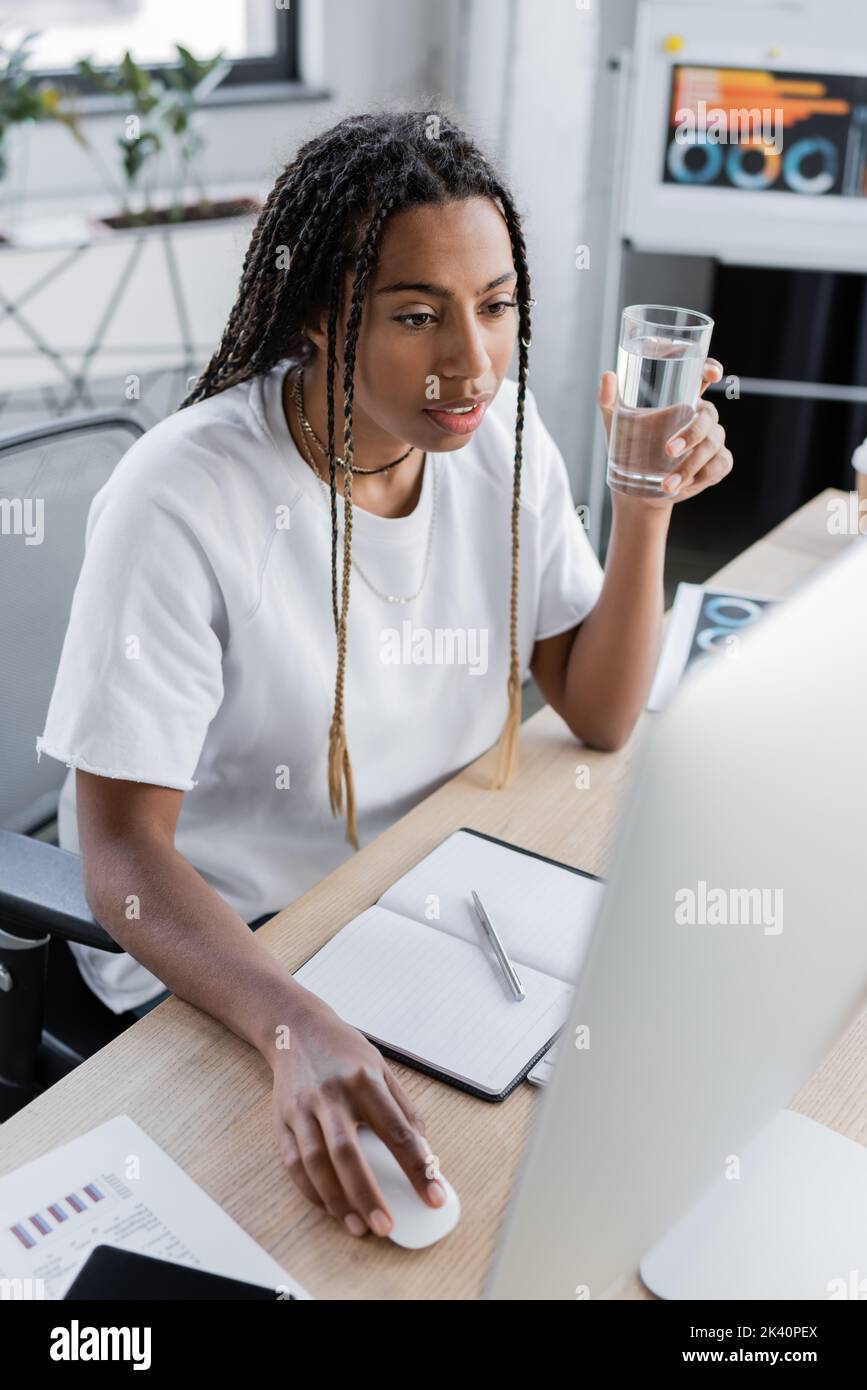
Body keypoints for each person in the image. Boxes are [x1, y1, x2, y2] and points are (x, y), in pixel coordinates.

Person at [36, 109, 732, 1239]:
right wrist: (288, 1024)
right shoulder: (181, 498)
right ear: (318, 314)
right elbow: (116, 855)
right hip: (237, 957)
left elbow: (599, 711)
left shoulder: (496, 433)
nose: (471, 362)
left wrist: (643, 500)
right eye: (417, 315)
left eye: (497, 306)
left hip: (428, 909)